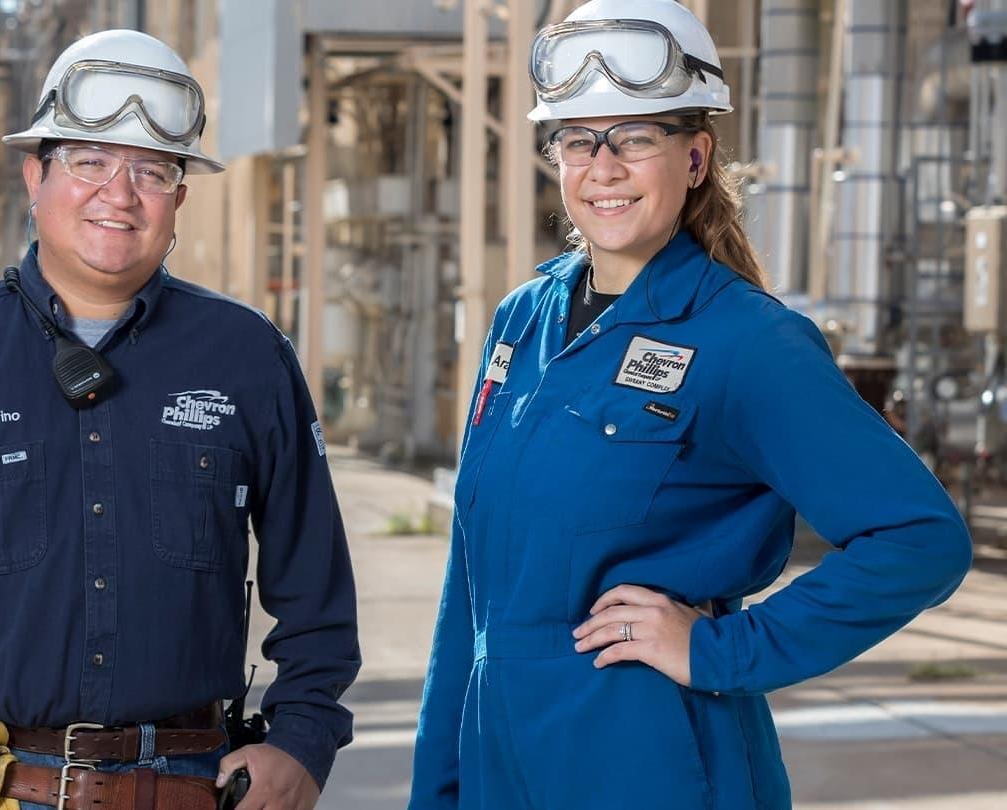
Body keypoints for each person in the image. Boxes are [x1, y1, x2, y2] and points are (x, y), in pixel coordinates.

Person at [408, 2, 973, 808]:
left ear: (696, 158)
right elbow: (471, 584)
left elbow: (919, 539)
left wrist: (722, 651)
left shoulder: (750, 343)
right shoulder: (522, 319)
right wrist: (439, 788)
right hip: (503, 764)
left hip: (652, 766)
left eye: (635, 139)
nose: (602, 168)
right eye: (577, 140)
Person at [0, 29, 359, 810]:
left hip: (185, 786)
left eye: (151, 171)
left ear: (179, 196)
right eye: (89, 162)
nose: (118, 195)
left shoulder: (247, 356)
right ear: (36, 174)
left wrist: (303, 740)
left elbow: (317, 584)